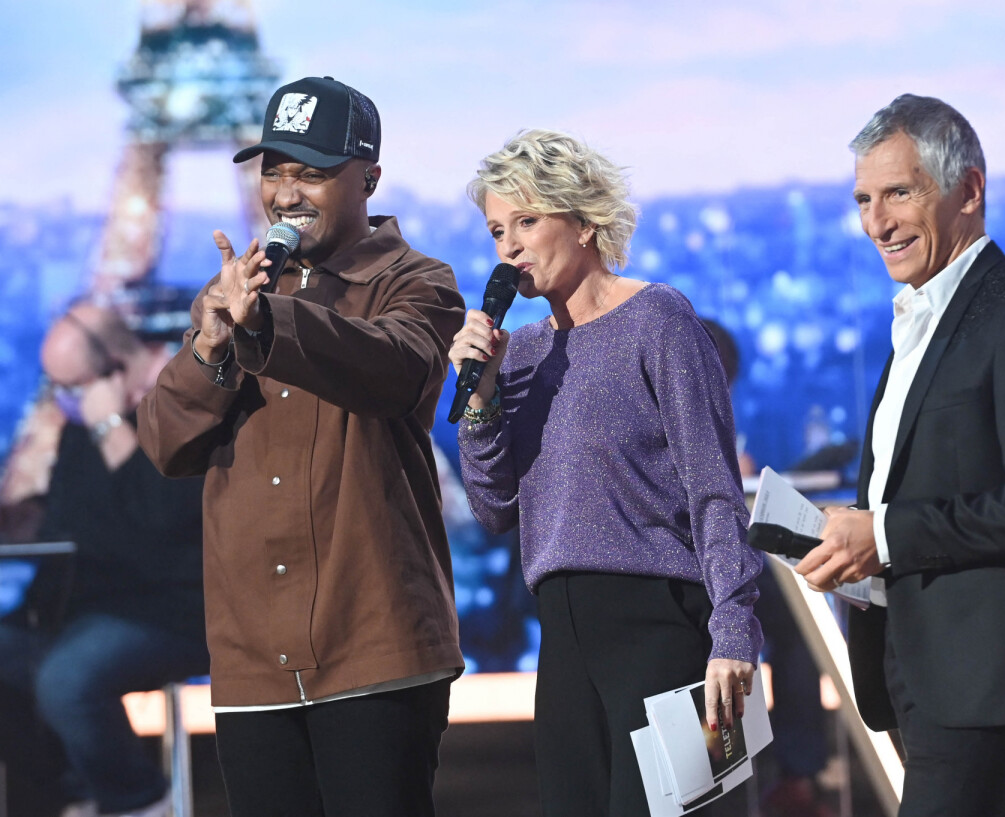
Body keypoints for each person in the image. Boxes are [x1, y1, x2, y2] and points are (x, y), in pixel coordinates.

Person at [136, 76, 465, 817]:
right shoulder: (230, 292)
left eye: (311, 173)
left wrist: (267, 325)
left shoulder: (418, 282)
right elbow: (164, 442)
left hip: (373, 643)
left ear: (369, 178)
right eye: (274, 171)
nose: (286, 194)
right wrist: (214, 342)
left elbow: (395, 367)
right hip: (253, 656)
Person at [794, 94, 1005, 816]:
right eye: (865, 199)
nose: (877, 221)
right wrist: (854, 536)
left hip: (984, 678)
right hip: (919, 669)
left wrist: (886, 534)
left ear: (969, 189)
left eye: (899, 192)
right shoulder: (917, 318)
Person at [452, 129, 763, 817]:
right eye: (498, 229)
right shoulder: (523, 352)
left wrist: (733, 627)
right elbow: (495, 507)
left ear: (585, 219)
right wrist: (481, 399)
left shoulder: (660, 318)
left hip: (664, 628)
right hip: (564, 640)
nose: (508, 247)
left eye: (527, 221)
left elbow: (714, 487)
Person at [0, 303, 208, 817]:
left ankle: (138, 801)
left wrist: (112, 425)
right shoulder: (81, 429)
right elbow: (72, 522)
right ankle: (70, 793)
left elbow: (165, 517)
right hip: (92, 604)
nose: (61, 399)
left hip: (178, 610)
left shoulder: (184, 403)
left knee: (67, 677)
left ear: (115, 367)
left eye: (70, 385)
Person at [700, 319, 833, 817]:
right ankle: (737, 781)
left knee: (795, 626)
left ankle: (796, 773)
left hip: (736, 567)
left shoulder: (732, 420)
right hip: (686, 576)